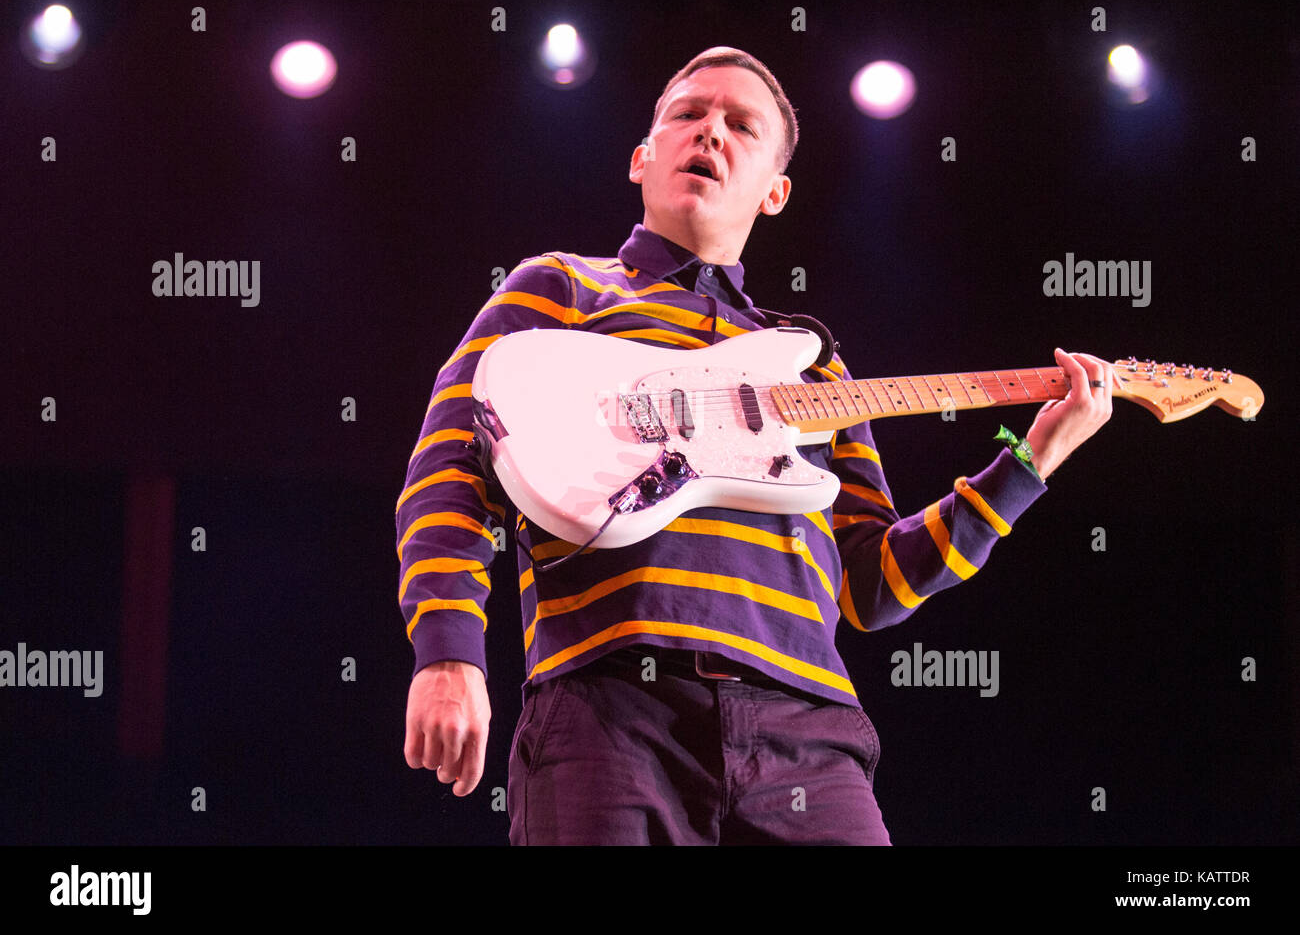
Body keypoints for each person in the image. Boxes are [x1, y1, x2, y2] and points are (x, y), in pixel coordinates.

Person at [397, 46, 1117, 844]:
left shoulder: (814, 365)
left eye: (742, 125)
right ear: (643, 157)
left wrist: (1028, 464)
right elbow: (451, 468)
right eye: (688, 114)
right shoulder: (558, 288)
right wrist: (448, 649)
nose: (711, 132)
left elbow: (872, 583)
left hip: (810, 737)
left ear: (774, 192)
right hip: (609, 710)